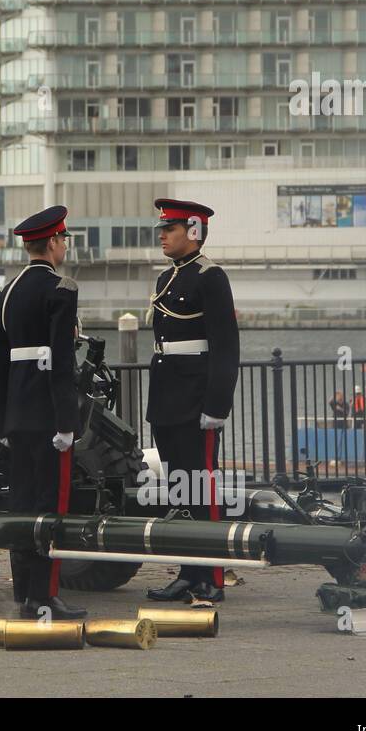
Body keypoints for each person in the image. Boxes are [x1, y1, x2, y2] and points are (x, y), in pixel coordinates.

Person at [0, 205, 87, 621]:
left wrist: (2, 422)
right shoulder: (61, 289)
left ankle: (23, 592)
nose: (64, 247)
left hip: (17, 417)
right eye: (63, 240)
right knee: (50, 508)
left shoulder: (7, 291)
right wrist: (67, 422)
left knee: (22, 505)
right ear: (52, 243)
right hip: (47, 418)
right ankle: (44, 596)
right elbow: (61, 364)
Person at [145, 198, 240, 604]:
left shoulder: (210, 276)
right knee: (179, 490)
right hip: (168, 395)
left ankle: (211, 576)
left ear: (194, 231)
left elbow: (225, 346)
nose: (163, 235)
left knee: (201, 486)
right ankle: (187, 570)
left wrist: (217, 406)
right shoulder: (167, 278)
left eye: (171, 228)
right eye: (162, 228)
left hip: (196, 398)